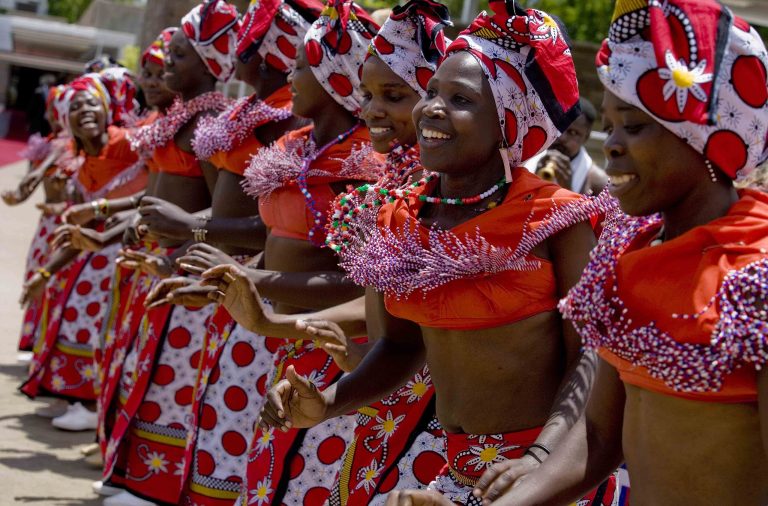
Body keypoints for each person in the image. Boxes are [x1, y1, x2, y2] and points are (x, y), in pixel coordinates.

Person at [237, 2, 622, 505]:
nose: (431, 108)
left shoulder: (556, 221)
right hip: (454, 465)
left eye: (460, 99)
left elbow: (589, 360)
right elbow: (400, 346)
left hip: (541, 477)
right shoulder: (402, 216)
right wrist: (328, 402)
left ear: (507, 123)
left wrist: (539, 461)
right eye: (432, 92)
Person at [472, 1, 768, 505]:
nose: (610, 145)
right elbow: (598, 437)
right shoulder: (628, 255)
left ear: (705, 140)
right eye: (609, 125)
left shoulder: (753, 277)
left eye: (633, 126)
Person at [99, 3, 239, 505]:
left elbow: (220, 211)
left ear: (209, 63)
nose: (166, 65)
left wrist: (178, 252)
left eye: (179, 55)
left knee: (173, 378)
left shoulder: (211, 124)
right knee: (143, 370)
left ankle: (155, 486)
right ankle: (135, 475)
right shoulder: (180, 118)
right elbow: (158, 196)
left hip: (187, 275)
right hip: (156, 266)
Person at [19, 70, 143, 432]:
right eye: (74, 107)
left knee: (95, 324)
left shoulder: (127, 145)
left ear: (107, 109)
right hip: (90, 257)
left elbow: (149, 195)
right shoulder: (80, 161)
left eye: (91, 103)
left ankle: (89, 403)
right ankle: (70, 393)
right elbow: (80, 226)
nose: (84, 111)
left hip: (125, 251)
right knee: (69, 312)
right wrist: (45, 274)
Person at [534, 97, 608, 195]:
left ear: (586, 137)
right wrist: (532, 180)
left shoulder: (598, 183)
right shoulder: (525, 160)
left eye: (573, 132)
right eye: (558, 126)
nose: (562, 137)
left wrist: (568, 191)